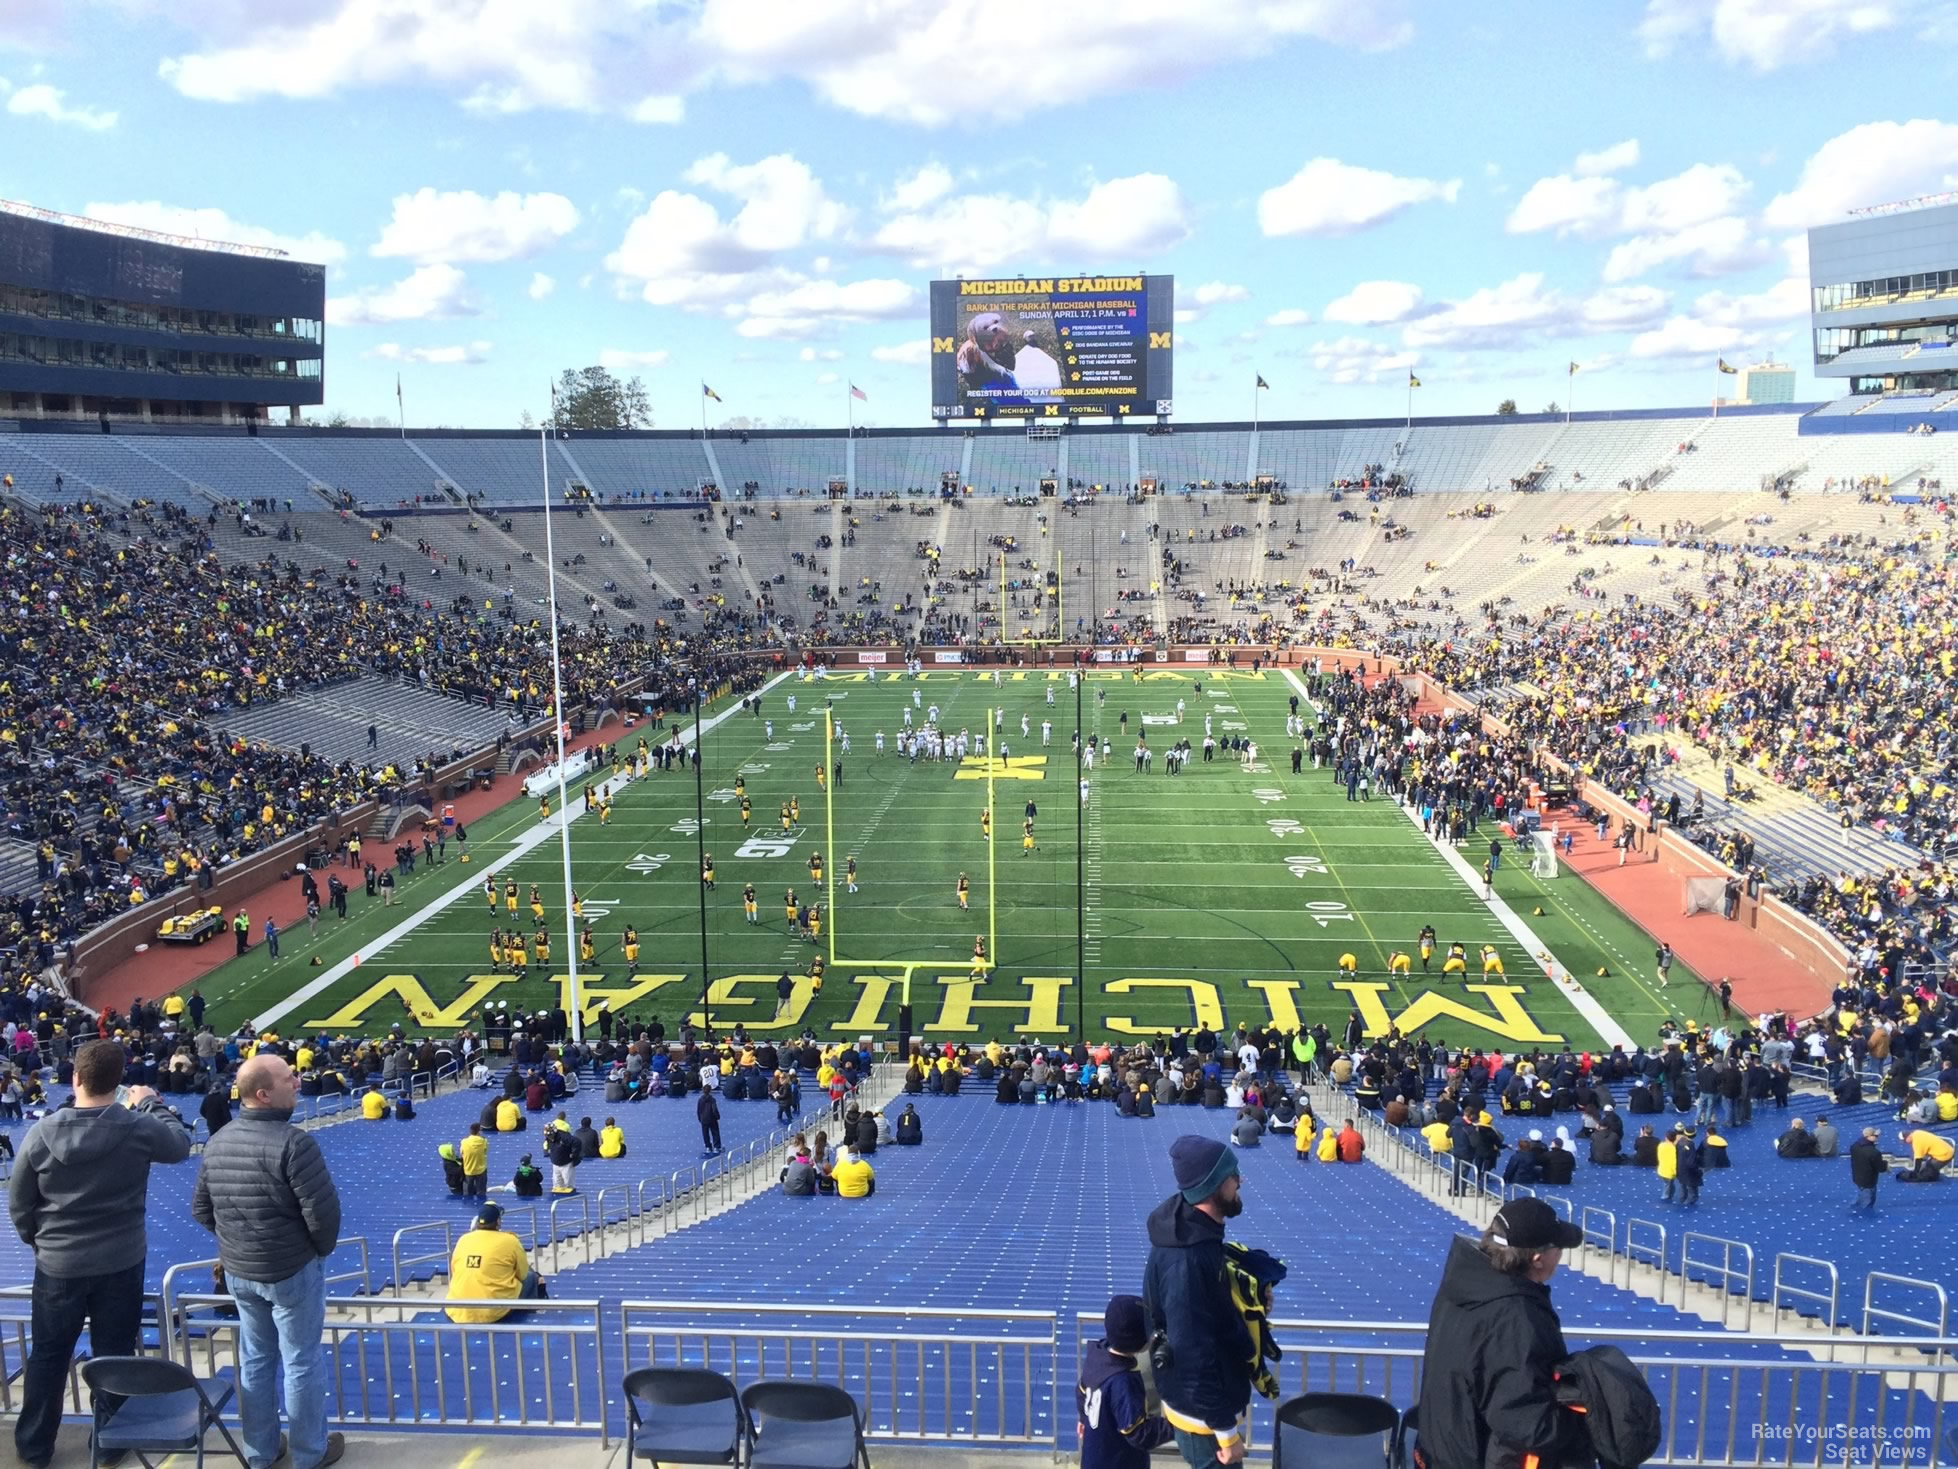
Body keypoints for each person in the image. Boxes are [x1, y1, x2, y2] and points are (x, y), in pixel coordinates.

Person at [9, 1039, 192, 1469]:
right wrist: (150, 1104)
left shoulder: (41, 1133)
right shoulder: (137, 1126)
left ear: (75, 1078)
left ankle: (34, 1448)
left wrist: (42, 1242)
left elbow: (20, 1204)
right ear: (120, 1082)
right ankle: (109, 1443)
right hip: (120, 1261)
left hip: (58, 1264)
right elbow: (180, 1145)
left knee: (49, 1356)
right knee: (114, 1353)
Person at [191, 1053, 345, 1469]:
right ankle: (309, 1453)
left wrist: (237, 1244)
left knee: (256, 1361)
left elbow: (202, 1210)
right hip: (290, 1271)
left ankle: (260, 1452)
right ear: (263, 1094)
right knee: (301, 1361)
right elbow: (324, 1216)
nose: (297, 1083)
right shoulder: (295, 1143)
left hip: (242, 1272)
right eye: (287, 1079)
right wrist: (312, 1251)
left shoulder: (218, 1140)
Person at [1416, 1198, 1591, 1469]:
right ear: (1537, 1259)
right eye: (1558, 1249)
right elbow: (1525, 1421)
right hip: (1473, 1456)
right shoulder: (1515, 1317)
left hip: (1441, 1450)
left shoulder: (1465, 1283)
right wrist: (1592, 1421)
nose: (1560, 1258)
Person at [1143, 1137, 1255, 1466]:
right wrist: (1225, 1432)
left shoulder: (1195, 1230)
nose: (1240, 1181)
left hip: (1206, 1409)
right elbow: (1191, 1351)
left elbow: (1206, 1311)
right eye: (1234, 1175)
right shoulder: (1187, 1261)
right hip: (1204, 1421)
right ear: (1214, 1185)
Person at [1078, 1294, 1175, 1469]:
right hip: (1118, 1461)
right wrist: (1174, 1427)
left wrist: (1083, 1417)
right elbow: (1137, 1432)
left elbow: (1081, 1390)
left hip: (1094, 1456)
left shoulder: (1097, 1357)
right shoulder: (1123, 1381)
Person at [445, 1203, 544, 1323]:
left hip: (457, 1309)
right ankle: (531, 1316)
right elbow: (522, 1274)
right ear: (498, 1222)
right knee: (532, 1278)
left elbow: (454, 1270)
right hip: (492, 1311)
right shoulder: (510, 1240)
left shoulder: (463, 1239)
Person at [1850, 1127, 1884, 1213]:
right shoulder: (1874, 1152)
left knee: (1860, 1194)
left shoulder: (1854, 1146)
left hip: (1857, 1177)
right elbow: (1881, 1168)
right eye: (1875, 1135)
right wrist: (1885, 1164)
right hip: (1869, 1181)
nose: (1877, 1137)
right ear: (1869, 1136)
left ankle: (1853, 1209)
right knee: (1867, 1202)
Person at [459, 1122, 489, 1200]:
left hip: (468, 1170)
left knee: (468, 1192)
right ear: (479, 1131)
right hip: (480, 1170)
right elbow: (485, 1151)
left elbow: (461, 1154)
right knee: (481, 1191)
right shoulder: (484, 1141)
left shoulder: (464, 1142)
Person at [697, 1086, 723, 1156]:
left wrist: (700, 1118)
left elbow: (698, 1110)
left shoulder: (700, 1100)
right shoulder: (712, 1100)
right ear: (710, 1091)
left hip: (703, 1119)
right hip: (712, 1118)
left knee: (705, 1134)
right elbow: (714, 1109)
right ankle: (717, 1147)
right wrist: (717, 1116)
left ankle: (708, 1146)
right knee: (715, 1133)